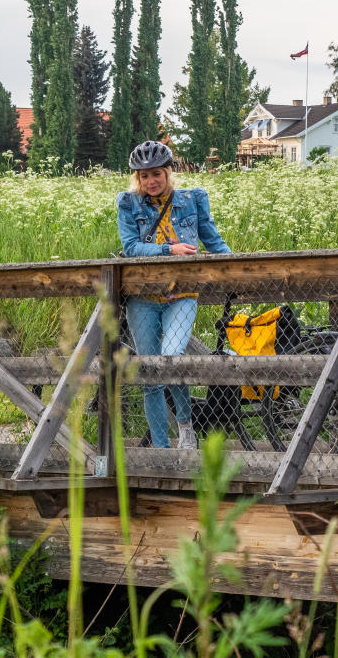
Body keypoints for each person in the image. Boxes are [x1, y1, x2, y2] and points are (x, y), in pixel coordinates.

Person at [116, 141, 232, 449]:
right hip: (142, 297)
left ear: (168, 172)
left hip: (183, 293)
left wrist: (237, 267)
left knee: (172, 358)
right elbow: (131, 248)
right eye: (144, 176)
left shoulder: (192, 199)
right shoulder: (128, 204)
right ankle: (160, 448)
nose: (151, 181)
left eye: (156, 174)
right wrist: (169, 249)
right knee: (151, 372)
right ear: (136, 179)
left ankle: (185, 427)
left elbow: (212, 239)